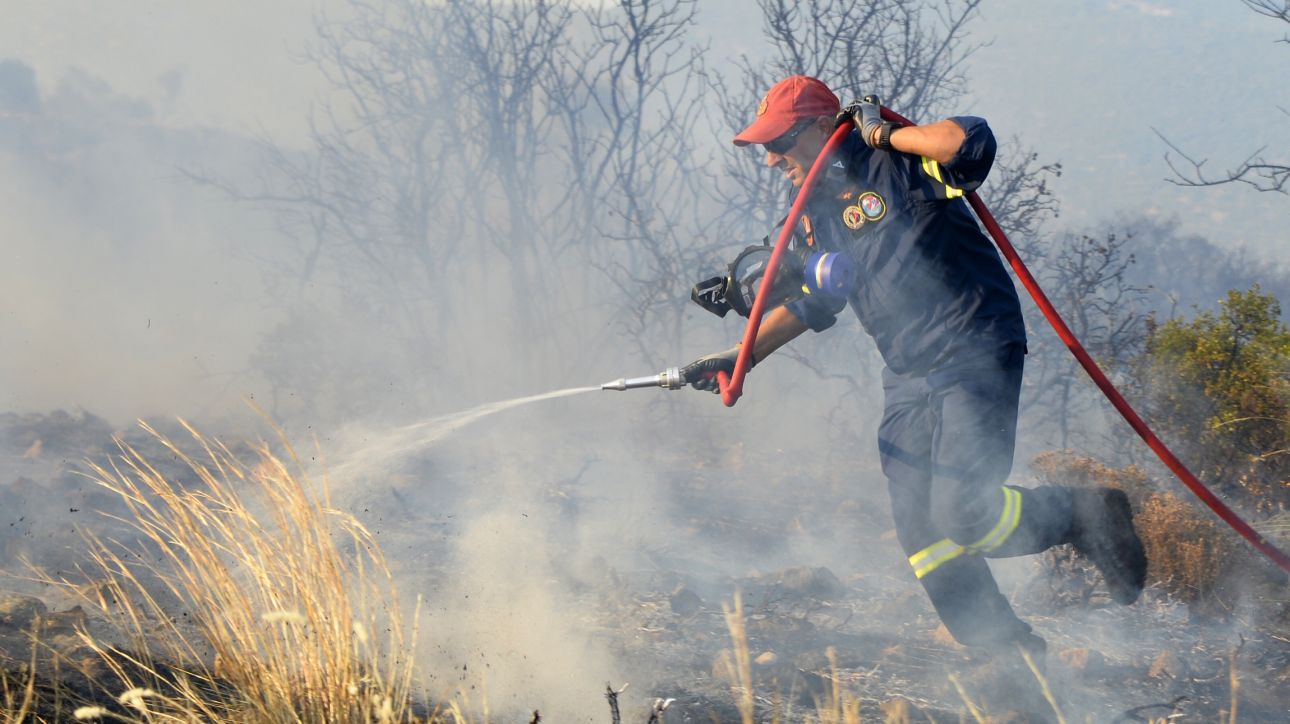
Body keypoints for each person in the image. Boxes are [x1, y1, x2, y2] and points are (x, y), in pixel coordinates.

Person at [680, 75, 1147, 659]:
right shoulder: (817, 213)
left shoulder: (898, 161)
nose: (772, 159)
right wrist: (738, 356)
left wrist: (885, 134)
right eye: (766, 148)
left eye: (781, 142)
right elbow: (817, 301)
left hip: (973, 346)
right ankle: (1009, 657)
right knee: (922, 531)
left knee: (966, 513)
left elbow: (971, 144)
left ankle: (1088, 515)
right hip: (907, 371)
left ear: (823, 128)